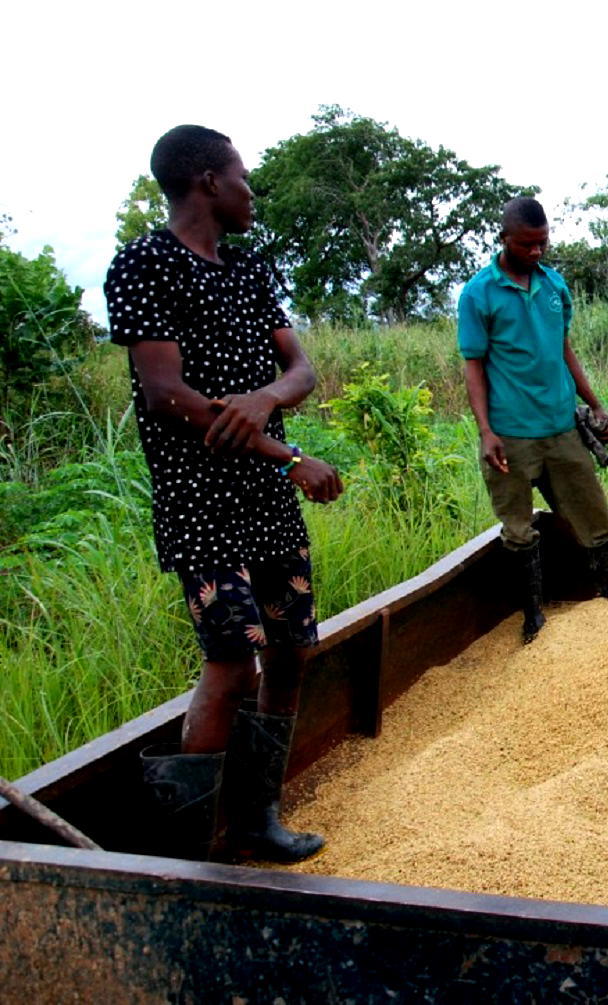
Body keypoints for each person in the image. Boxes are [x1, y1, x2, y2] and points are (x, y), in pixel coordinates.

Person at [105, 125, 345, 863]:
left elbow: (301, 370)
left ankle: (255, 819)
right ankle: (193, 852)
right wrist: (289, 455)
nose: (251, 190)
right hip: (200, 498)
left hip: (264, 496)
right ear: (208, 180)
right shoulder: (145, 264)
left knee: (291, 650)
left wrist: (264, 399)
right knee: (232, 660)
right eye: (243, 176)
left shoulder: (247, 267)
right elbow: (167, 393)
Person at [458, 196, 608, 643]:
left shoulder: (554, 286)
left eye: (543, 243)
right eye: (527, 244)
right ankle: (532, 617)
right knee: (518, 530)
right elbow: (473, 365)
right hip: (511, 435)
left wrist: (595, 402)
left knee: (596, 519)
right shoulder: (479, 293)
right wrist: (486, 432)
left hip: (561, 428)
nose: (536, 252)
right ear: (504, 239)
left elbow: (564, 347)